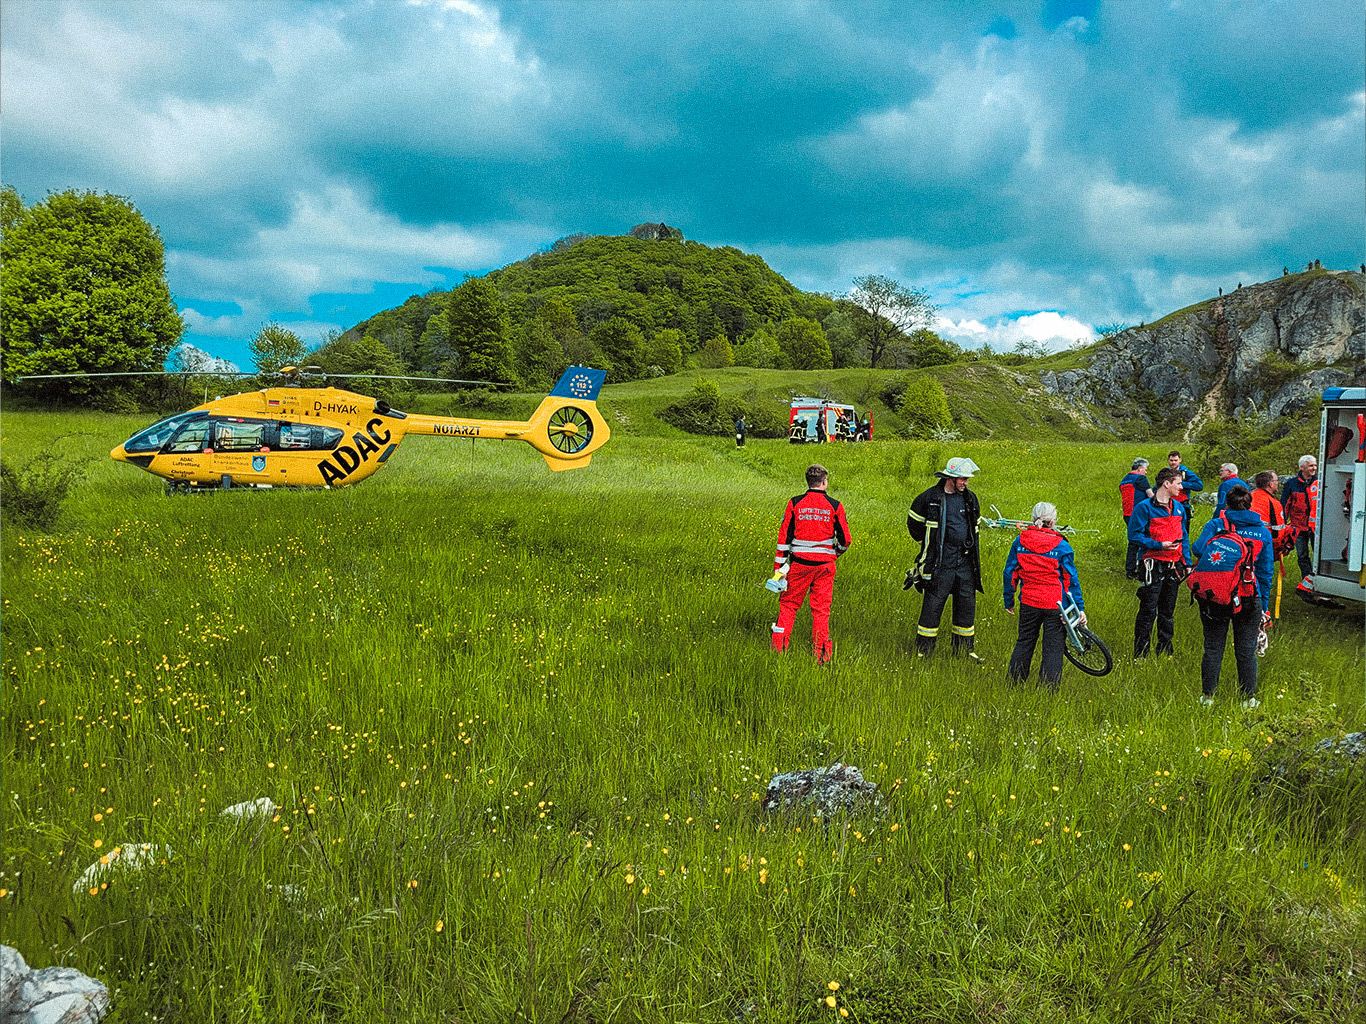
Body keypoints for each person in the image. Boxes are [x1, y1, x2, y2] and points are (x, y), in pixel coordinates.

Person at [1190, 486, 1273, 707]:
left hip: (1215, 595)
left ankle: (1207, 697)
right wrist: (1263, 606)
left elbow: (1197, 549)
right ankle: (1248, 699)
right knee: (1246, 649)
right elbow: (1265, 572)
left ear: (1227, 504)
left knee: (1213, 647)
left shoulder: (1216, 525)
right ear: (1250, 504)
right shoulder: (1263, 532)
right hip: (1248, 595)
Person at [770, 464, 851, 664]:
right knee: (821, 610)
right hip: (825, 567)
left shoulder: (795, 503)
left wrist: (779, 570)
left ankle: (778, 651)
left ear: (808, 482)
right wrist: (835, 553)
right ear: (824, 482)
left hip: (798, 565)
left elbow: (784, 538)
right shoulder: (835, 506)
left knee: (788, 606)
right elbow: (845, 540)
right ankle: (822, 657)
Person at [907, 457, 983, 659]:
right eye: (962, 479)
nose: (965, 483)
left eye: (967, 479)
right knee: (932, 608)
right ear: (950, 477)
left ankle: (964, 652)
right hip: (940, 565)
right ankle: (924, 652)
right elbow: (914, 526)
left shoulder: (970, 498)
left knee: (966, 609)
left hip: (965, 564)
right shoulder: (929, 498)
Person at [1003, 501, 1085, 689]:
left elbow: (1010, 573)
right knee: (1053, 648)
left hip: (1029, 601)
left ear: (1034, 519)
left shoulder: (1020, 541)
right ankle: (1048, 690)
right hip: (1055, 605)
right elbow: (1071, 580)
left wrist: (1009, 600)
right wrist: (1079, 608)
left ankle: (1014, 683)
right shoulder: (1062, 546)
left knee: (1024, 641)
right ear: (1053, 521)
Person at [1129, 466, 1191, 659]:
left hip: (1174, 567)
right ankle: (1141, 653)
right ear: (1167, 483)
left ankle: (1165, 650)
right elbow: (1133, 535)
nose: (1181, 487)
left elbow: (1184, 536)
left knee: (1168, 611)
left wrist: (1187, 562)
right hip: (1152, 565)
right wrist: (1158, 545)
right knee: (1148, 610)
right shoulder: (1144, 508)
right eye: (1178, 483)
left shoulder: (1179, 507)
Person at [1280, 455, 1318, 578]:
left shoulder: (1319, 482)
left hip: (1315, 527)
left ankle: (1318, 581)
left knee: (1318, 556)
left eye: (1315, 465)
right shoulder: (1291, 484)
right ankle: (1307, 581)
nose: (1314, 468)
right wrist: (1282, 526)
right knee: (1302, 556)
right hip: (1298, 526)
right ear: (1302, 467)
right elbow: (1284, 506)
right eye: (1311, 465)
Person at [1119, 458, 1155, 579]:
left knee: (1132, 542)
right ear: (1140, 469)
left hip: (1127, 515)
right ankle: (1143, 570)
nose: (1146, 472)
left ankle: (1130, 571)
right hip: (1139, 515)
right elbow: (1151, 496)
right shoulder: (1140, 479)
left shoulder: (1124, 480)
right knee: (1144, 541)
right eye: (1145, 469)